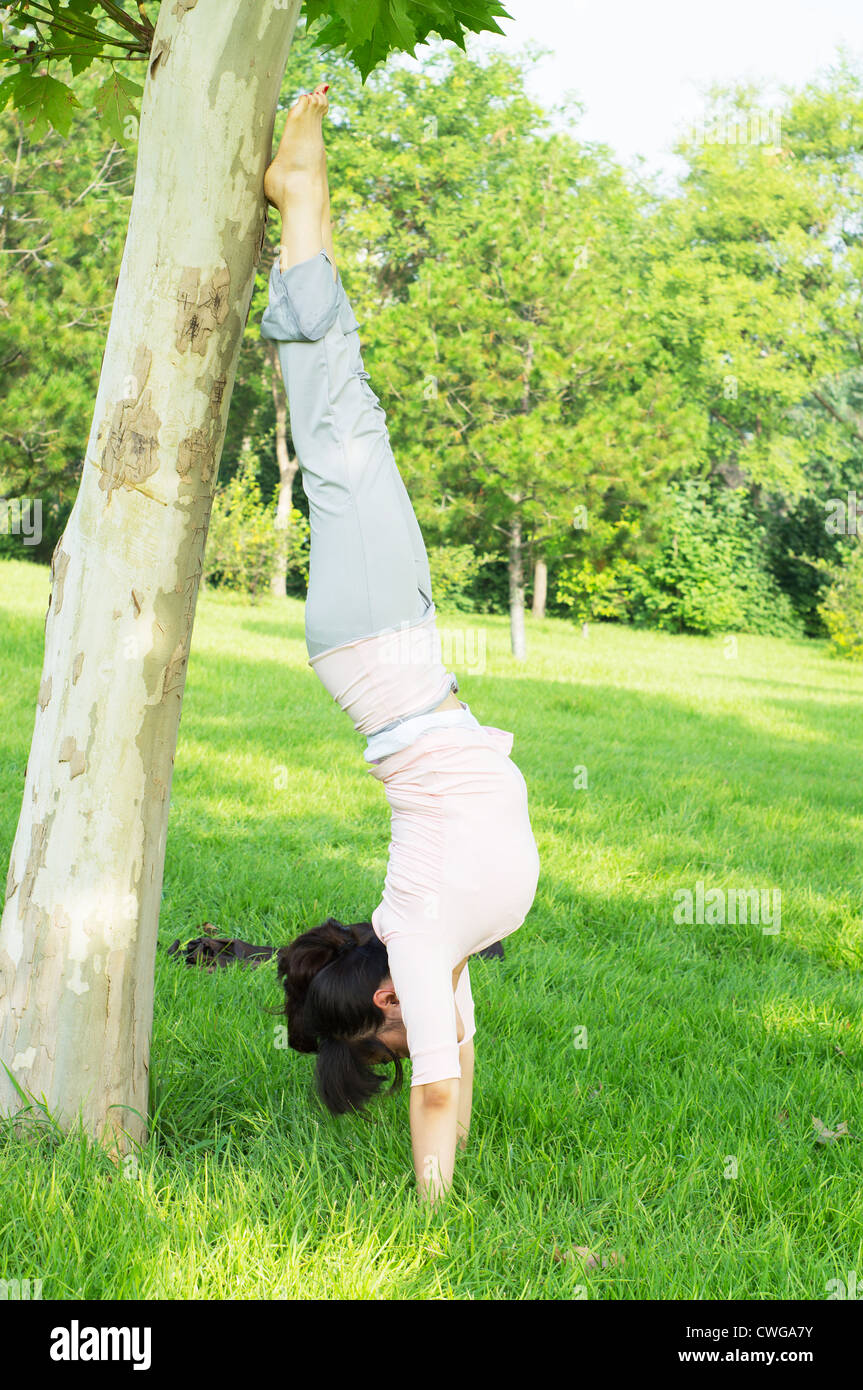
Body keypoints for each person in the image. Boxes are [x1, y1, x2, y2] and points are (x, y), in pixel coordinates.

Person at [261, 84, 540, 1205]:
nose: (418, 1036)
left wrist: (429, 1219)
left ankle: (300, 202)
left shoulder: (416, 941)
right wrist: (445, 1177)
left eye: (390, 1039)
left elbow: (429, 1086)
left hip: (379, 643)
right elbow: (453, 1073)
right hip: (395, 647)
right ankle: (296, 217)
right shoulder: (434, 962)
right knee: (347, 421)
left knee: (338, 426)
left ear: (382, 1004)